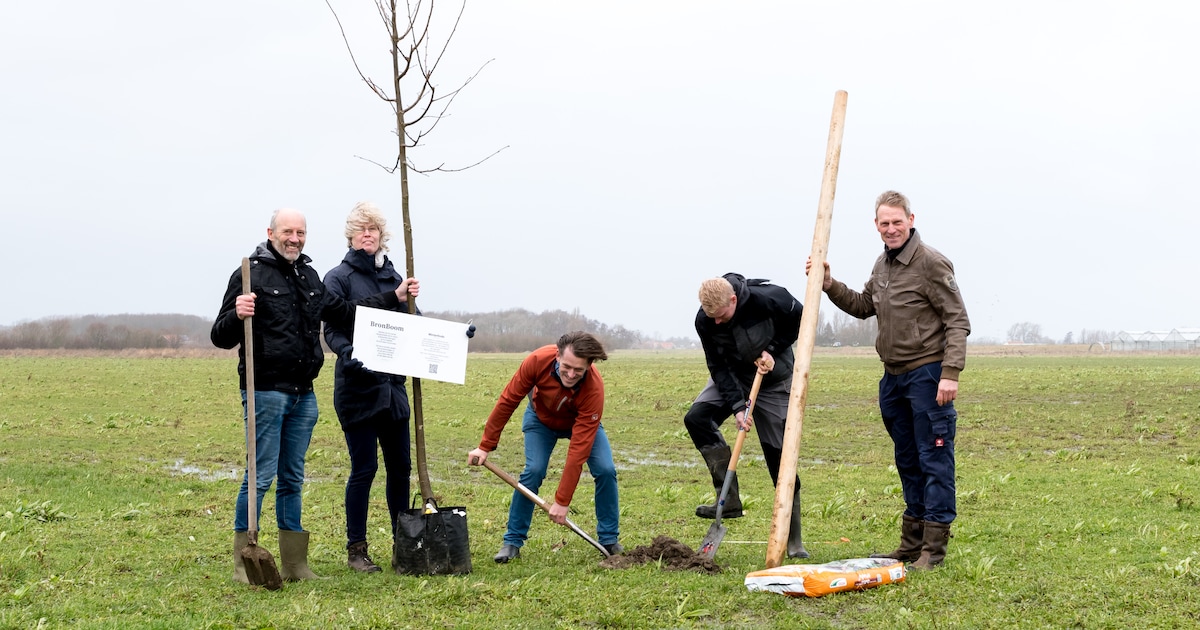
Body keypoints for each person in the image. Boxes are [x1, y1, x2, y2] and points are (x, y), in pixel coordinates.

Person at [211, 207, 418, 583]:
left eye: (301, 232)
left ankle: (295, 564)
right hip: (266, 391)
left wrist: (394, 296)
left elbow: (347, 312)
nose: (295, 238)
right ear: (271, 232)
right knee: (259, 477)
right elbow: (220, 335)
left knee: (292, 477)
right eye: (288, 231)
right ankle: (245, 561)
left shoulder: (308, 275)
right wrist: (237, 314)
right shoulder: (250, 275)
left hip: (303, 394)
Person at [808, 190, 970, 570]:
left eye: (898, 221)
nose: (892, 228)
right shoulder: (883, 265)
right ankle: (911, 545)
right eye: (885, 223)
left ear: (911, 220)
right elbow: (865, 306)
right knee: (908, 458)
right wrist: (830, 284)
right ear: (876, 225)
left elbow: (957, 320)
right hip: (893, 378)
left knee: (934, 458)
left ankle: (934, 550)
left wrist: (950, 373)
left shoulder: (930, 263)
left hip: (928, 374)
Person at [322, 202, 475, 573]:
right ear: (351, 235)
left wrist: (455, 338)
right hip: (358, 389)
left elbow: (417, 327)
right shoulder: (337, 277)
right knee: (364, 469)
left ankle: (403, 541)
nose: (368, 234)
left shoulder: (396, 279)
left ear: (382, 235)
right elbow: (334, 326)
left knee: (400, 467)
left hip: (393, 391)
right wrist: (348, 351)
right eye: (361, 229)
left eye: (373, 229)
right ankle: (357, 549)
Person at [466, 331, 621, 563]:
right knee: (534, 470)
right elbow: (508, 401)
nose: (570, 374)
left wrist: (562, 501)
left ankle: (608, 539)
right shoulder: (537, 360)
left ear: (589, 365)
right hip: (540, 420)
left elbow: (578, 452)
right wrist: (484, 446)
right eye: (566, 366)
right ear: (558, 355)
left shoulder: (593, 389)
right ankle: (512, 541)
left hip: (579, 423)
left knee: (606, 470)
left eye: (578, 370)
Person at [686, 273, 809, 559]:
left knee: (780, 458)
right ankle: (727, 499)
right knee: (697, 418)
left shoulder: (770, 298)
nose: (716, 322)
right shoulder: (705, 319)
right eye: (711, 316)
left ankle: (793, 538)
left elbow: (801, 320)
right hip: (733, 378)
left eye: (721, 315)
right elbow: (716, 365)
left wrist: (773, 350)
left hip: (775, 381)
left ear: (734, 299)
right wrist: (738, 407)